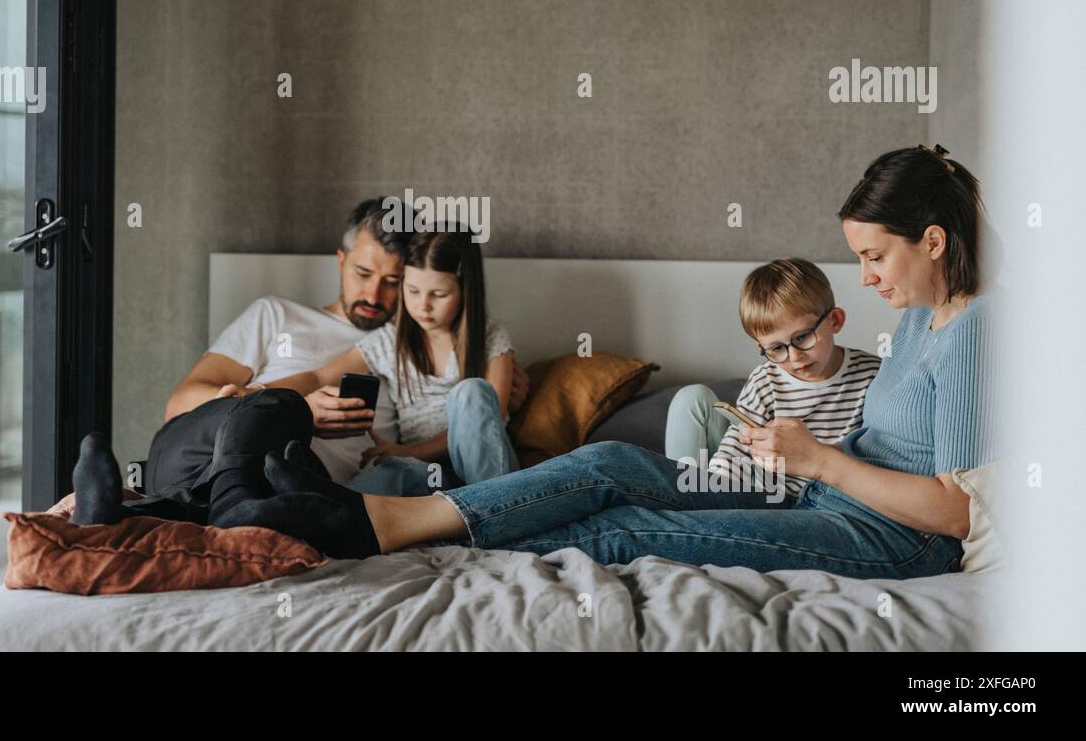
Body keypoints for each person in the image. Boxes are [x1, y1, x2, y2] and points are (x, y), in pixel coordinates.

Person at [216, 145, 999, 581]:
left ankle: (380, 533)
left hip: (893, 540)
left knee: (626, 529)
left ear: (932, 240)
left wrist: (821, 462)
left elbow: (957, 514)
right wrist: (792, 459)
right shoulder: (926, 317)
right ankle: (382, 516)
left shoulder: (975, 332)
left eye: (874, 256)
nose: (865, 278)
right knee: (614, 459)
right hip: (814, 495)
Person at [68, 198, 528, 524]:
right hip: (212, 439)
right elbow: (181, 405)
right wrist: (277, 404)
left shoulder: (396, 343)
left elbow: (479, 406)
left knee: (281, 497)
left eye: (393, 282)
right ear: (340, 260)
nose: (374, 294)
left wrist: (504, 392)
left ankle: (128, 516)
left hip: (300, 478)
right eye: (364, 274)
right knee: (270, 416)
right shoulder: (276, 313)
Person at [261, 229, 518, 497]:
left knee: (471, 392)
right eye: (413, 290)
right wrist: (257, 391)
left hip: (490, 474)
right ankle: (314, 503)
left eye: (439, 295)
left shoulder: (491, 337)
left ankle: (493, 511)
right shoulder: (389, 342)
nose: (423, 306)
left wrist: (406, 451)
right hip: (433, 478)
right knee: (392, 472)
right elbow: (318, 377)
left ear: (466, 290)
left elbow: (490, 421)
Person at [664, 258, 881, 502]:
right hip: (767, 489)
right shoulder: (765, 380)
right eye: (776, 348)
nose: (795, 357)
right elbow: (735, 451)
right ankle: (682, 500)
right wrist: (714, 502)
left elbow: (878, 450)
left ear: (835, 321)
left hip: (831, 495)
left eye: (803, 337)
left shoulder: (874, 374)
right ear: (761, 347)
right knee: (691, 398)